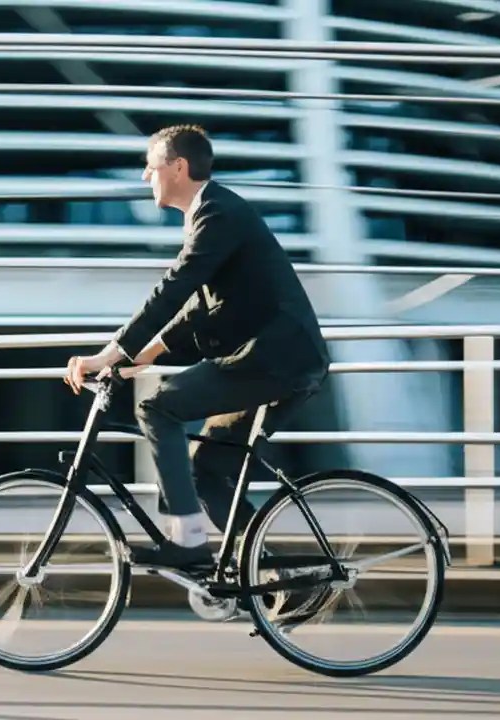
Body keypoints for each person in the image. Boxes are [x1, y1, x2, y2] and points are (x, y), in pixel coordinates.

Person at [65, 124, 331, 570]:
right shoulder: (213, 214)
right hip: (280, 360)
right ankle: (277, 574)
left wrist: (110, 352)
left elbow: (174, 288)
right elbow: (196, 310)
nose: (146, 177)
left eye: (151, 168)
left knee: (158, 408)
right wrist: (137, 359)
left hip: (274, 359)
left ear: (178, 167)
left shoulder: (217, 213)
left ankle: (187, 540)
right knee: (207, 469)